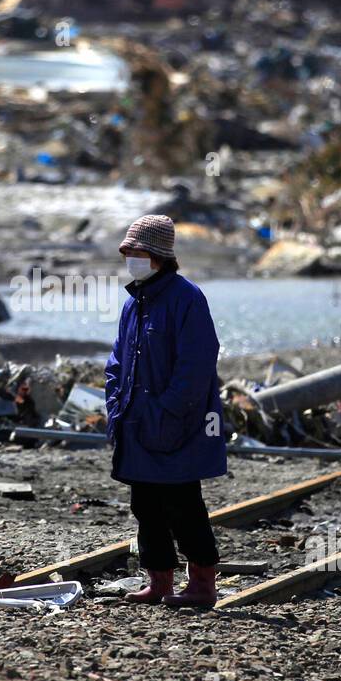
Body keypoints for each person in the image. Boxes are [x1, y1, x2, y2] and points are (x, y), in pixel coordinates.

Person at [104, 214, 227, 607]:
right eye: (128, 252)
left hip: (178, 425)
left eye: (137, 252)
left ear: (158, 256)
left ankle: (203, 585)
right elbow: (116, 361)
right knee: (145, 505)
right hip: (135, 423)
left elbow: (197, 365)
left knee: (183, 505)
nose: (131, 259)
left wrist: (168, 409)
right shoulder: (133, 303)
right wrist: (115, 405)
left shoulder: (186, 298)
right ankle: (159, 582)